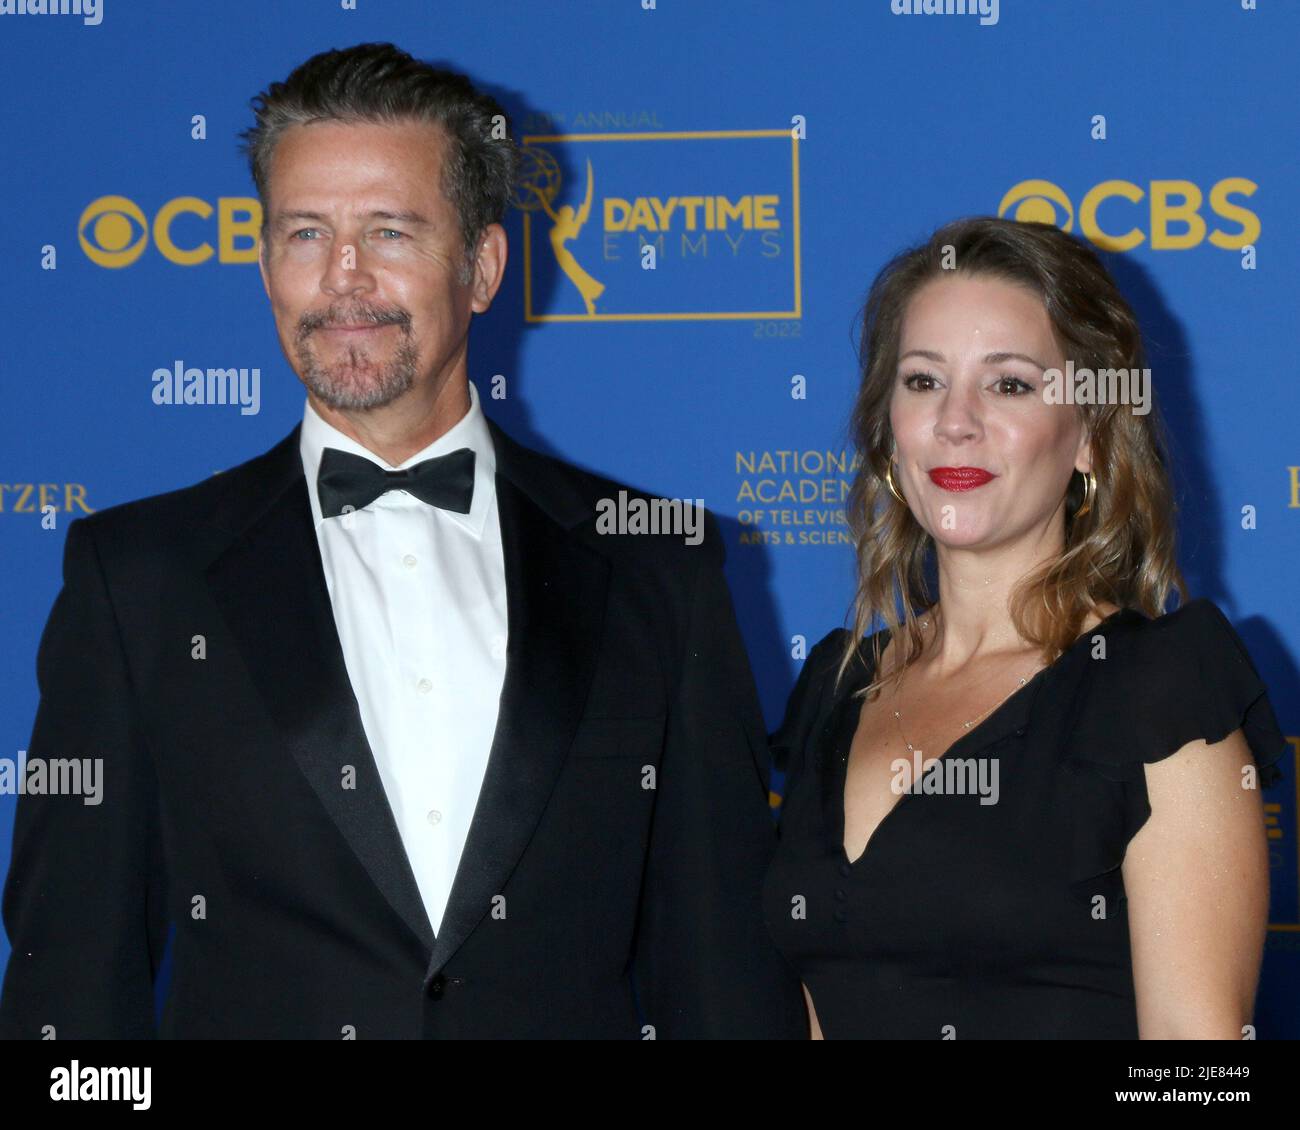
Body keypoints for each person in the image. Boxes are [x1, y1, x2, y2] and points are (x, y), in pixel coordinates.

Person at [0, 42, 806, 1040]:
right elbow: (68, 983)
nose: (344, 278)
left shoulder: (655, 565)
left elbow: (722, 968)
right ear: (263, 264)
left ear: (482, 265)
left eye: (388, 230)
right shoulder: (137, 577)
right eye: (305, 233)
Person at [762, 216, 1287, 1039]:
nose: (956, 421)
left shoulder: (1159, 689)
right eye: (923, 380)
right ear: (886, 429)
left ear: (1089, 434)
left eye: (1009, 384)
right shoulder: (838, 686)